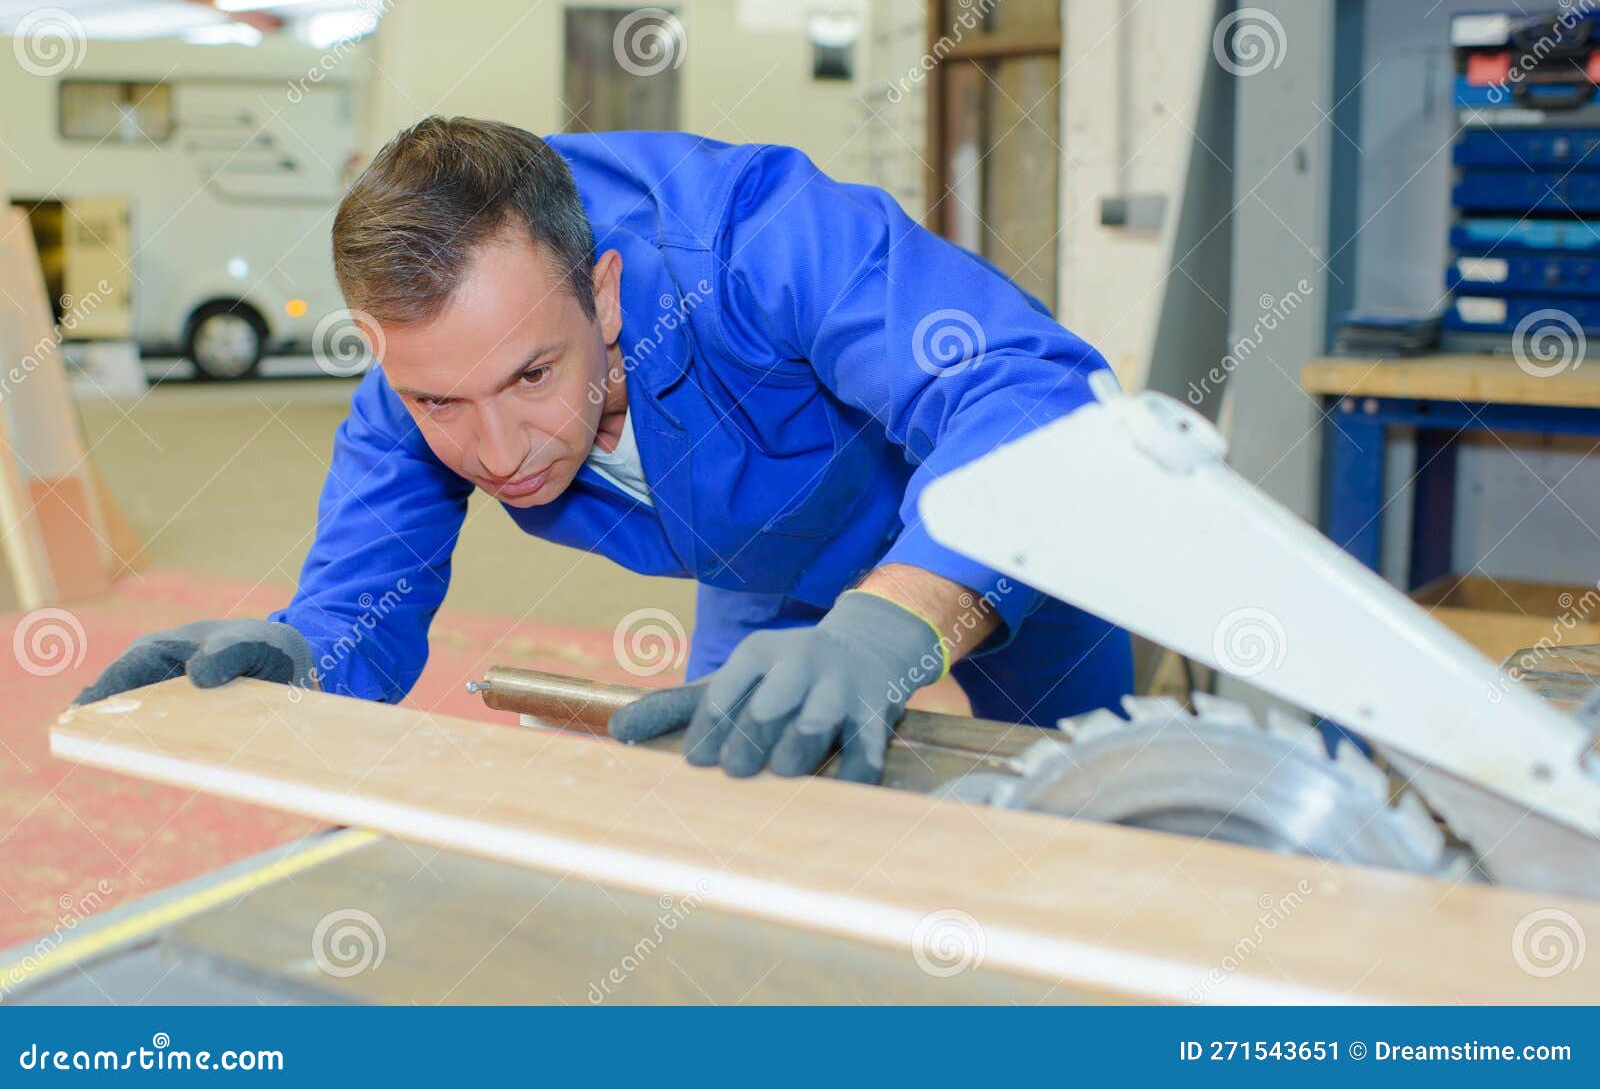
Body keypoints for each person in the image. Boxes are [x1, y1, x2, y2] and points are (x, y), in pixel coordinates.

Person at [75, 117, 1133, 784]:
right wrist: (297, 662)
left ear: (607, 294)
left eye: (533, 377)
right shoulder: (426, 370)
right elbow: (360, 604)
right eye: (441, 402)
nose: (497, 454)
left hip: (995, 537)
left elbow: (1044, 401)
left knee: (1108, 804)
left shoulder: (753, 238)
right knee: (736, 823)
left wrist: (888, 626)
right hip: (762, 577)